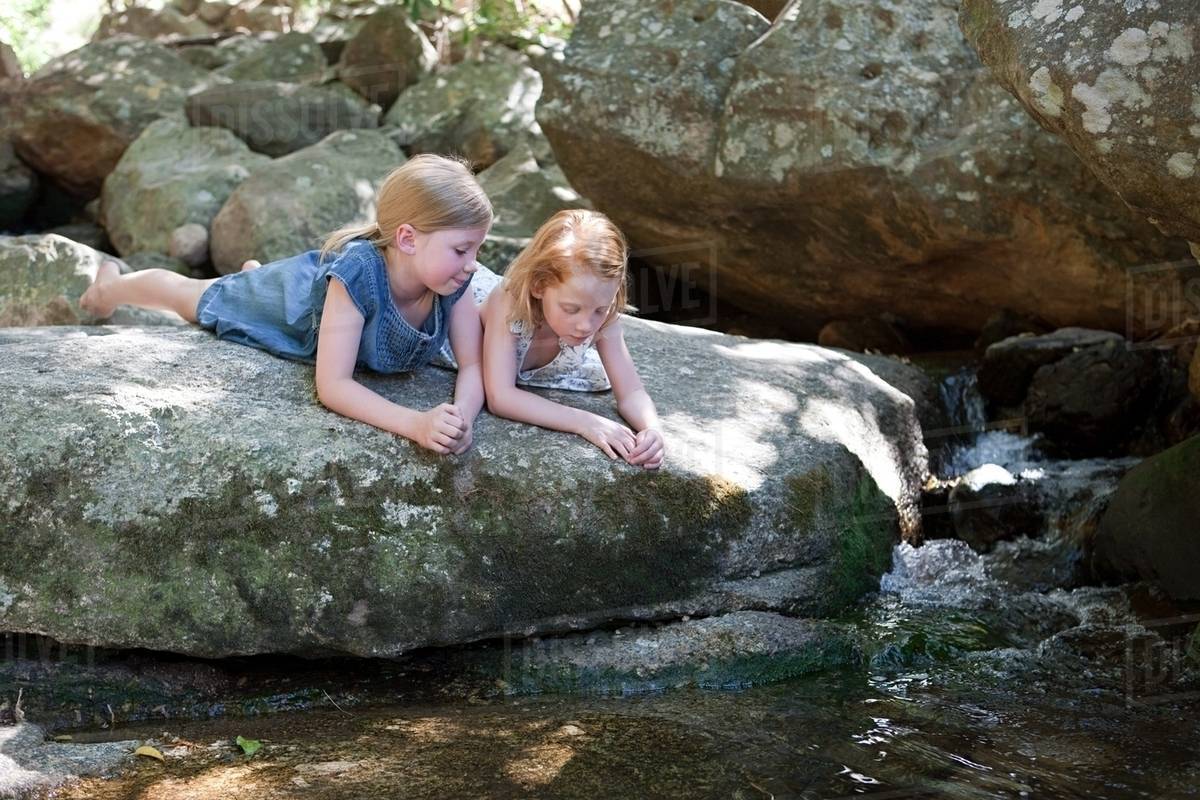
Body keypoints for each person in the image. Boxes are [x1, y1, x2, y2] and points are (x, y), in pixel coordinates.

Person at [79, 154, 492, 455]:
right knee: (194, 296)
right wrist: (416, 424)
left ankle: (254, 275)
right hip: (293, 307)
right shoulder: (360, 274)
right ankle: (110, 288)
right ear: (407, 239)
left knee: (246, 282)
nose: (473, 263)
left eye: (477, 248)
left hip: (318, 295)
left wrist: (461, 419)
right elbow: (334, 386)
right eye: (461, 249)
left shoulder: (451, 282)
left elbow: (473, 365)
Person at [477, 209, 665, 469]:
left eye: (600, 309)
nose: (586, 325)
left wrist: (652, 430)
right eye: (571, 309)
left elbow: (631, 391)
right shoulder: (509, 302)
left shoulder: (604, 314)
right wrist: (585, 422)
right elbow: (501, 396)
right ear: (539, 286)